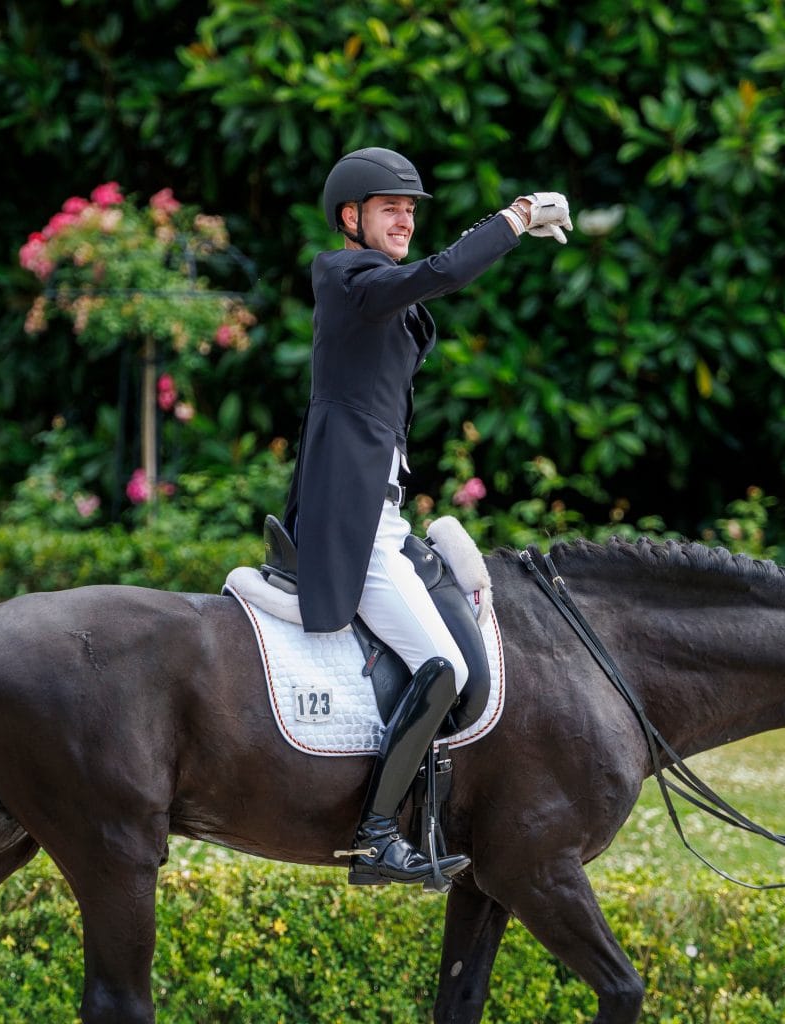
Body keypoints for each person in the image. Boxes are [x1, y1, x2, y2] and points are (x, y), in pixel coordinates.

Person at [282, 146, 572, 886]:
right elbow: (441, 273)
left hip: (387, 519)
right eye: (390, 208)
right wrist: (512, 220)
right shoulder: (346, 275)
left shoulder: (381, 289)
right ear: (350, 218)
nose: (406, 218)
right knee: (440, 665)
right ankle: (376, 836)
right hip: (355, 527)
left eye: (411, 208)